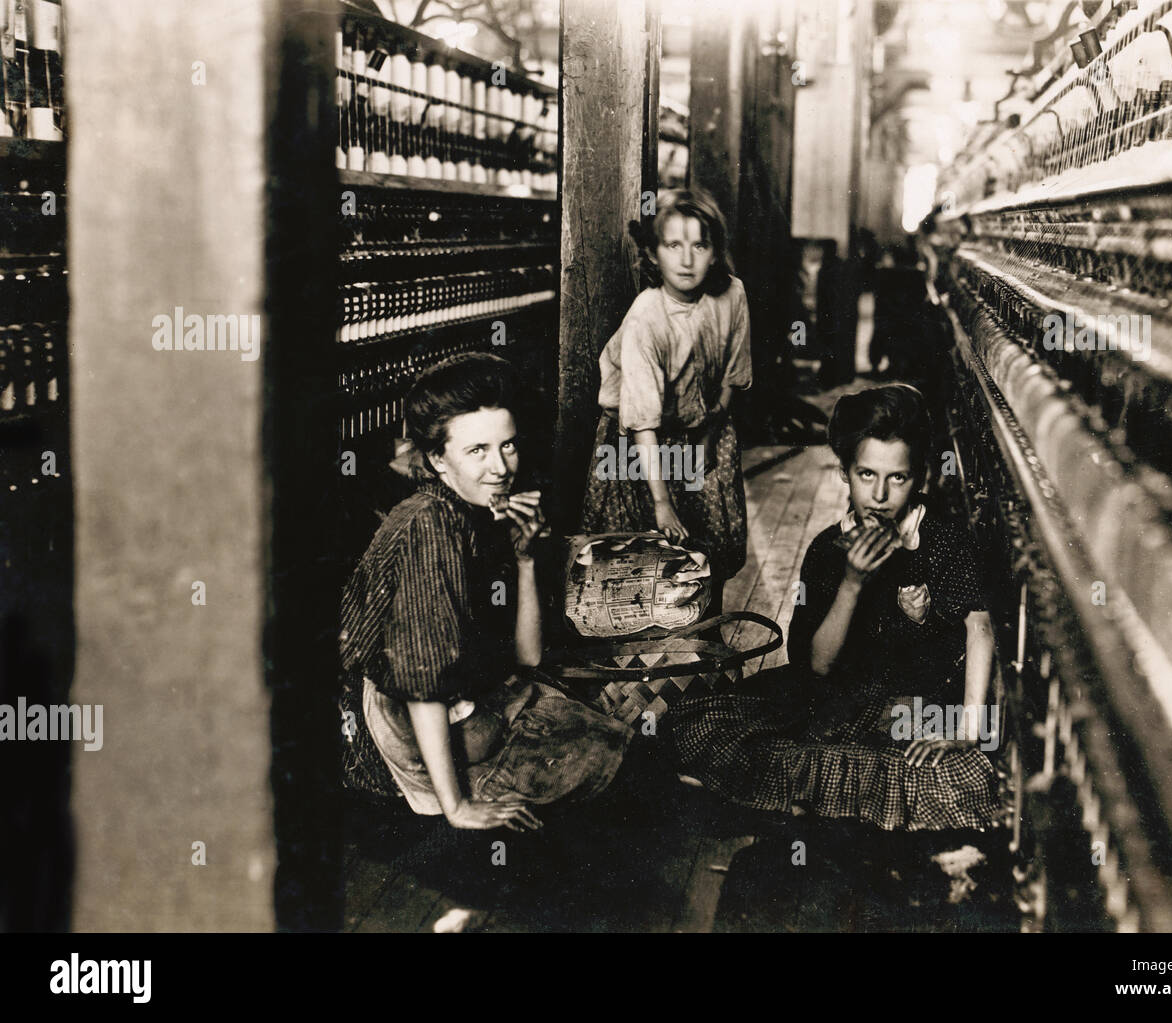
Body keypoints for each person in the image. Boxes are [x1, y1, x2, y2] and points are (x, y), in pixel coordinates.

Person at [670, 383, 1000, 832]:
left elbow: (980, 626)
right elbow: (817, 666)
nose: (880, 495)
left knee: (949, 774)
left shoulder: (942, 541)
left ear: (919, 477)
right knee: (703, 724)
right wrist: (852, 584)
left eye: (897, 478)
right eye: (866, 474)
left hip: (911, 706)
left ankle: (802, 800)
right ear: (845, 472)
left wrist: (966, 730)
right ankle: (815, 798)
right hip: (836, 699)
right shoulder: (827, 549)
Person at [339, 352, 632, 838]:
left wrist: (524, 559)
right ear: (438, 458)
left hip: (461, 702)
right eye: (477, 451)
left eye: (508, 446)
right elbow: (422, 681)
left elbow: (527, 655)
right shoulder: (427, 526)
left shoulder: (472, 510)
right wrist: (456, 807)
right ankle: (448, 796)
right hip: (396, 723)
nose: (500, 468)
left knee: (611, 743)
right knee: (607, 765)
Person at [582, 189, 752, 609]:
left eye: (700, 244)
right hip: (638, 442)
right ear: (655, 254)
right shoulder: (647, 315)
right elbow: (642, 420)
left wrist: (710, 434)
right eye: (674, 245)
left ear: (715, 252)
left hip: (704, 426)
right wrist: (662, 502)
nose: (687, 259)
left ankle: (703, 652)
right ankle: (639, 662)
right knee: (639, 559)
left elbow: (734, 373)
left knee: (712, 546)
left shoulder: (731, 294)